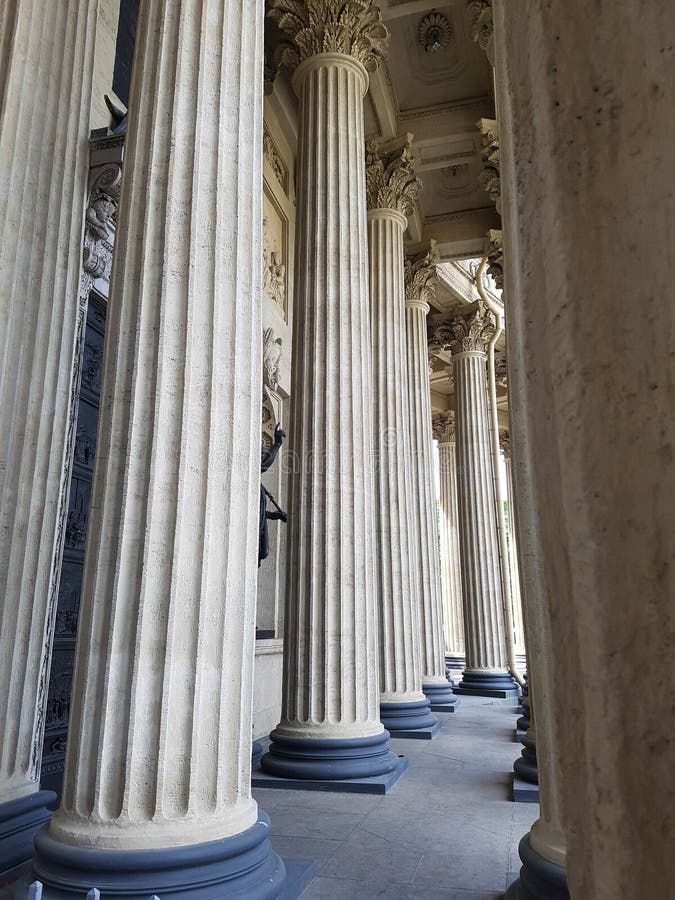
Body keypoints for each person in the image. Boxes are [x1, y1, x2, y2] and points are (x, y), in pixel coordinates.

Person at [259, 423, 287, 566]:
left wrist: (274, 515)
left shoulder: (259, 488)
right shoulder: (255, 485)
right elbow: (263, 464)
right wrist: (276, 444)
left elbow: (259, 513)